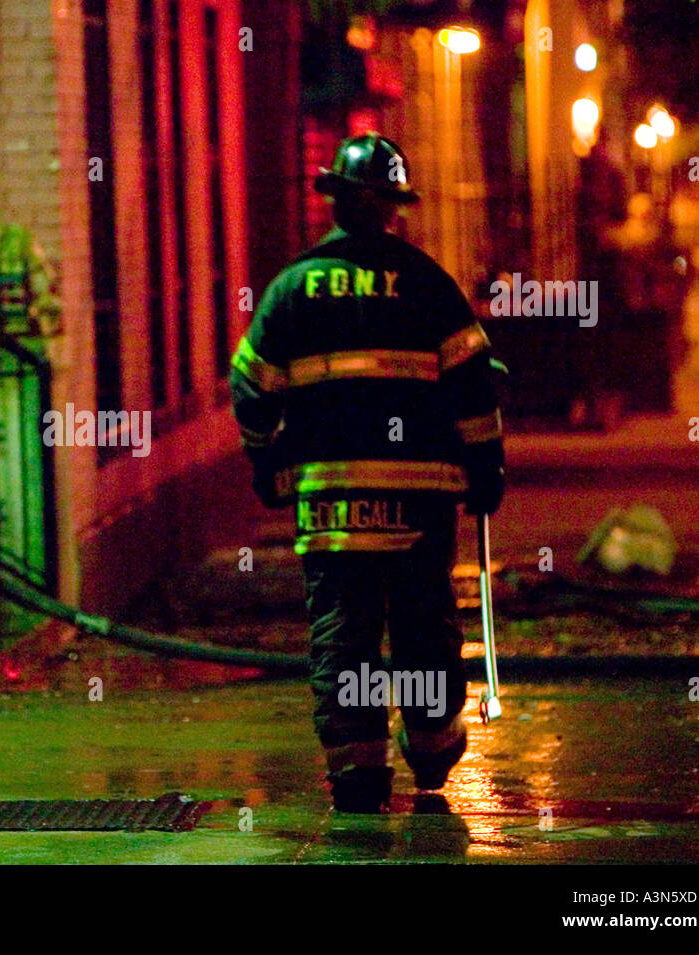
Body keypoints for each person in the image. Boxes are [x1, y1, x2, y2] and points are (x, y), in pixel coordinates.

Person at [229, 133, 505, 813]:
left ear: (337, 201)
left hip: (330, 499)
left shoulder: (294, 289)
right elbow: (474, 385)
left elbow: (251, 385)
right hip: (421, 497)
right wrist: (486, 465)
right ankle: (434, 746)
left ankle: (356, 767)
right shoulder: (428, 284)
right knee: (422, 619)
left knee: (343, 626)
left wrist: (265, 458)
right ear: (392, 208)